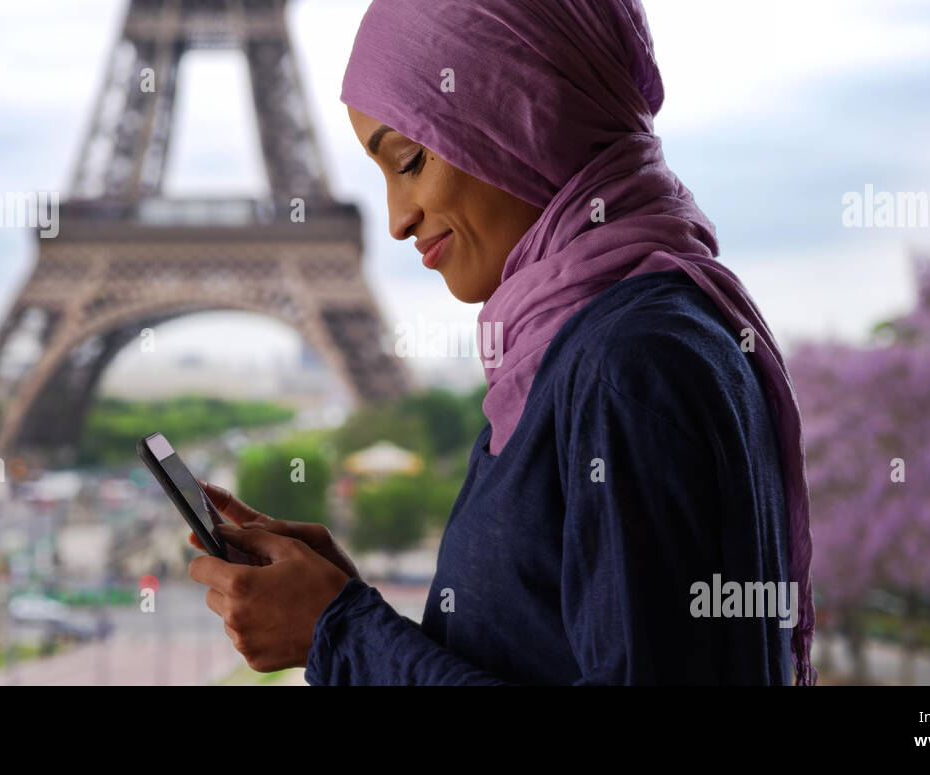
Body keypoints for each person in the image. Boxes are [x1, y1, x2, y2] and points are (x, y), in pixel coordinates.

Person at [188, 0, 817, 685]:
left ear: (520, 113)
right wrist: (344, 606)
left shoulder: (626, 365)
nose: (398, 220)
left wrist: (338, 634)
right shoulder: (612, 341)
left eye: (409, 159)